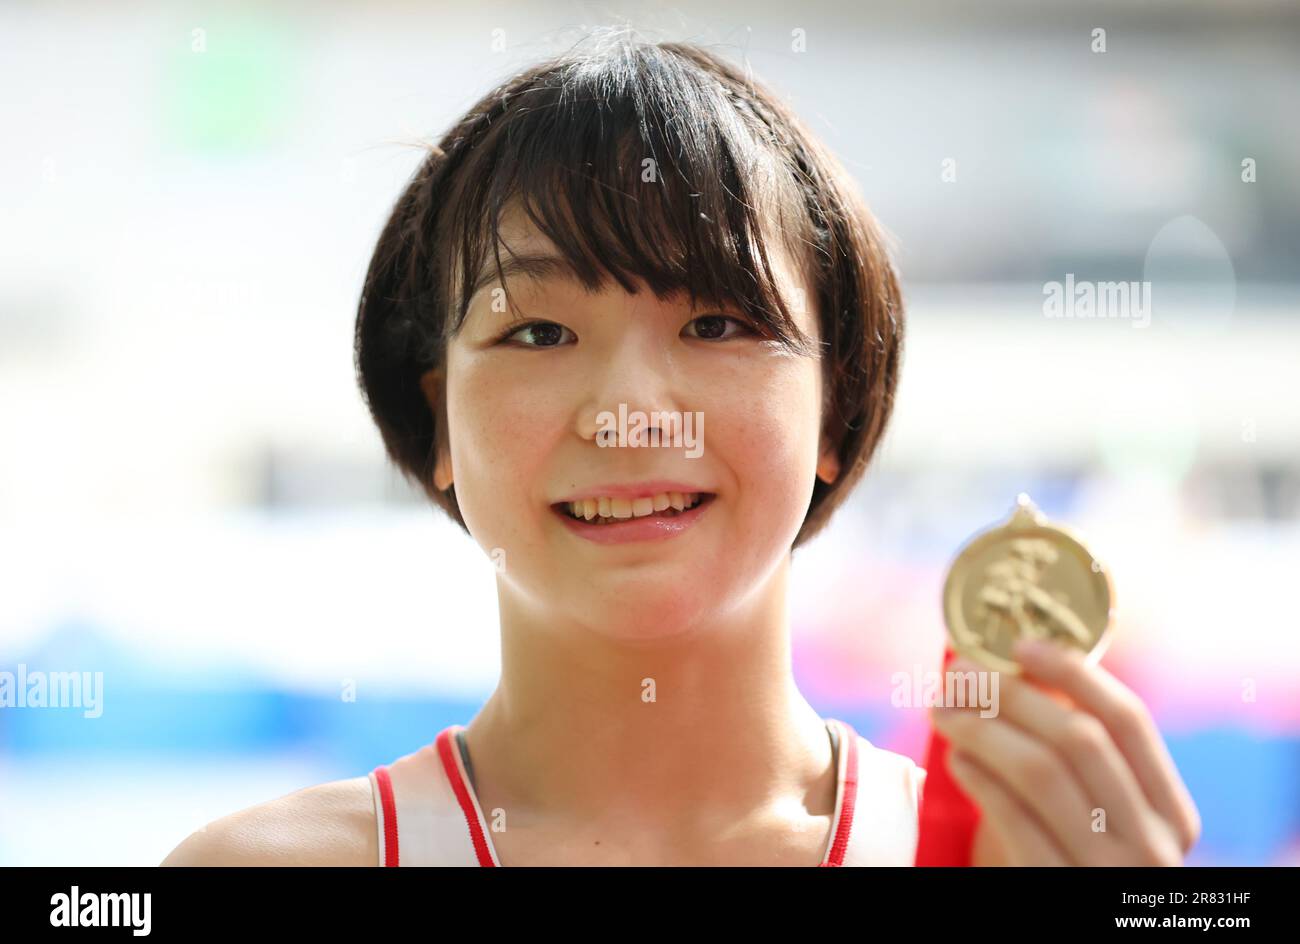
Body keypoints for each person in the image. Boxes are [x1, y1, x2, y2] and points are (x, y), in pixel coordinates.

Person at [162, 29, 1199, 867]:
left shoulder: (1003, 854)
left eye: (717, 325)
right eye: (536, 331)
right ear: (435, 422)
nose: (632, 413)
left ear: (835, 410)